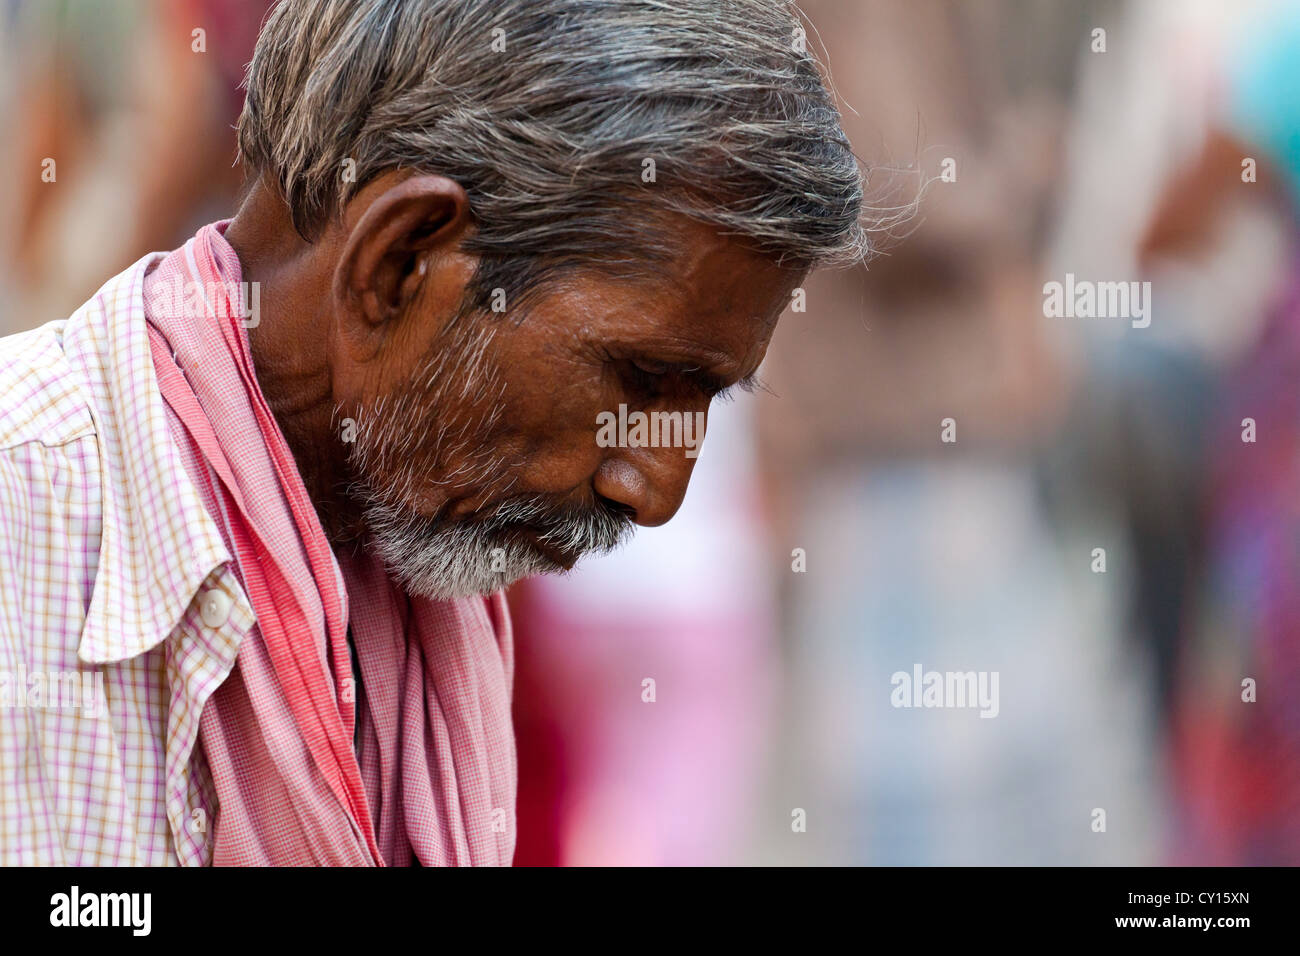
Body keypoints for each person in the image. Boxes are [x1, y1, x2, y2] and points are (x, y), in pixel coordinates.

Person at [0, 0, 873, 865]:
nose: (654, 492)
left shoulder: (427, 561)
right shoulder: (26, 525)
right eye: (641, 382)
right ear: (400, 261)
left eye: (706, 402)